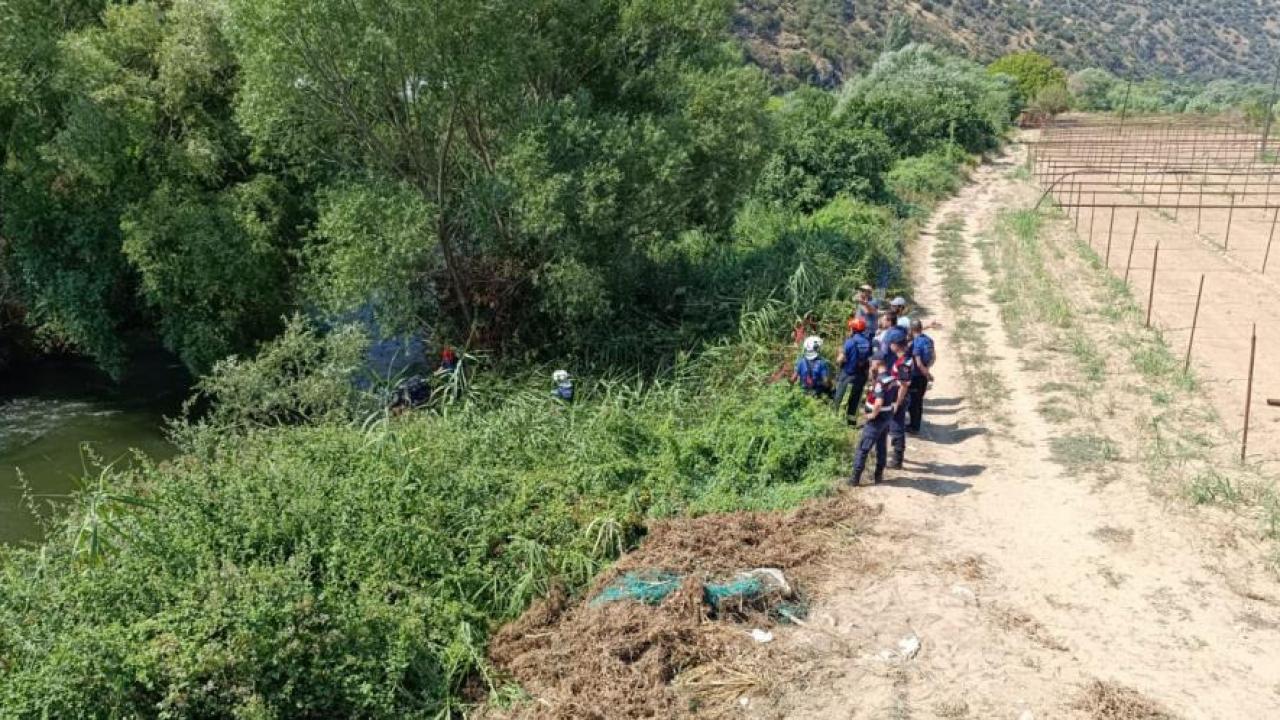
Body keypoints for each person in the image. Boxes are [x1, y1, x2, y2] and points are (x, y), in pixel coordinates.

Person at [849, 354, 897, 486]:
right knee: (881, 446)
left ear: (877, 363)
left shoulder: (881, 382)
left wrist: (872, 415)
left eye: (872, 363)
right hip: (886, 416)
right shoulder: (890, 378)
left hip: (877, 418)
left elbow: (878, 402)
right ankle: (878, 475)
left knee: (863, 447)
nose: (870, 365)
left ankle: (854, 479)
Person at [834, 319, 872, 424]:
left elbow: (840, 360)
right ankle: (851, 423)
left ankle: (837, 423)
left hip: (849, 376)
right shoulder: (868, 342)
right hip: (861, 377)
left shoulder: (850, 342)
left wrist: (838, 356)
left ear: (853, 329)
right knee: (855, 401)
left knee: (841, 400)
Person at [887, 335, 913, 469]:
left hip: (899, 397)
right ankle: (897, 455)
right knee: (897, 426)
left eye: (891, 343)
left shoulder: (902, 363)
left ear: (897, 345)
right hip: (899, 396)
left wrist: (897, 402)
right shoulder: (904, 359)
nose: (890, 345)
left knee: (897, 427)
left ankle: (897, 460)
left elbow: (904, 385)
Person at [907, 320, 935, 434]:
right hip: (923, 376)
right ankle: (915, 424)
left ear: (912, 329)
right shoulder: (928, 340)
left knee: (913, 402)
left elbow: (917, 363)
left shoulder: (916, 343)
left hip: (916, 376)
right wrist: (928, 369)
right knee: (918, 401)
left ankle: (914, 427)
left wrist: (927, 374)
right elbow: (933, 357)